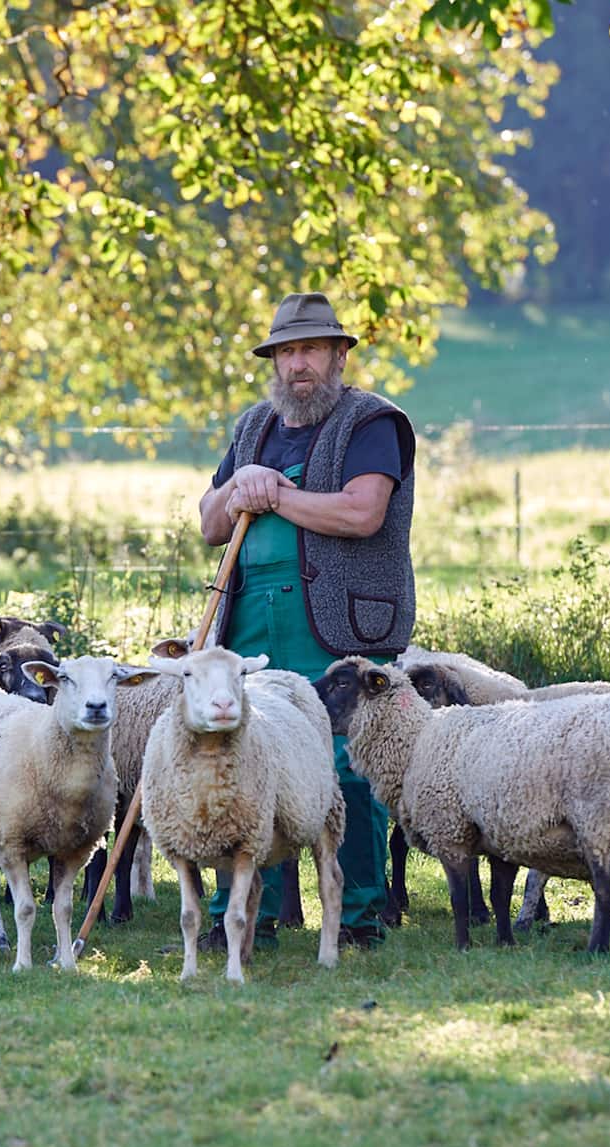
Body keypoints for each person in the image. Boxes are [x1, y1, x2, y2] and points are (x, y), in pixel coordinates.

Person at [197, 291, 416, 950]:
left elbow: (361, 513)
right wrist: (240, 485)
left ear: (339, 354)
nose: (298, 365)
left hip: (337, 622)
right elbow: (210, 524)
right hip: (250, 622)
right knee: (237, 760)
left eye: (311, 350)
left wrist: (276, 495)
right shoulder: (252, 428)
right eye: (286, 352)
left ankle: (359, 917)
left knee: (347, 765)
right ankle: (240, 917)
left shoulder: (373, 422)